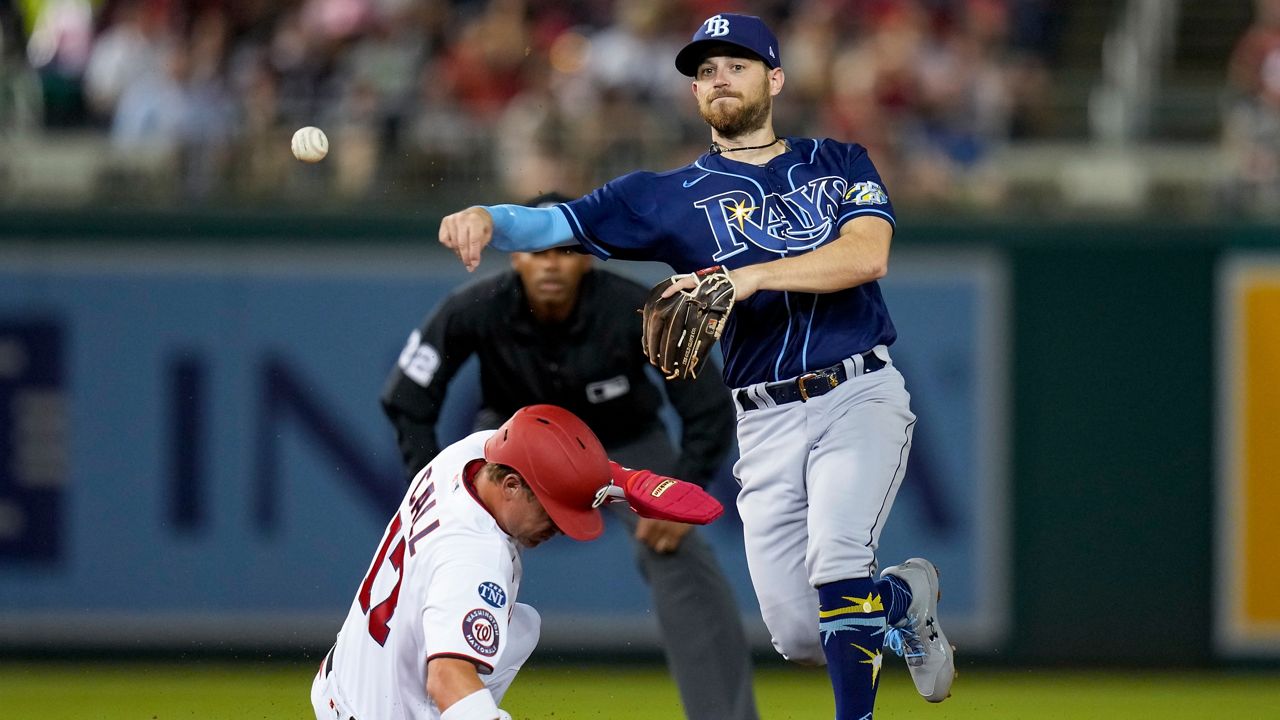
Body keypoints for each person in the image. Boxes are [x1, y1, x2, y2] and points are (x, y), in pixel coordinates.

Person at [435, 13, 955, 720]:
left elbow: (867, 255)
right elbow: (558, 223)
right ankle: (900, 598)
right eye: (706, 70)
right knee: (803, 633)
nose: (718, 78)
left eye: (735, 65)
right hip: (764, 419)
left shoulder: (840, 163)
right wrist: (491, 219)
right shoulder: (662, 197)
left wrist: (746, 278)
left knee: (837, 562)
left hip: (855, 392)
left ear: (773, 79)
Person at [381, 193, 759, 720]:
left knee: (682, 556)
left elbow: (707, 403)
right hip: (512, 447)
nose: (551, 264)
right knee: (450, 543)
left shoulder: (631, 307)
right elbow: (407, 398)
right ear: (516, 256)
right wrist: (430, 484)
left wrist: (687, 478)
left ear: (586, 256)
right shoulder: (476, 307)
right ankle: (419, 695)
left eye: (564, 252)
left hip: (624, 444)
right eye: (539, 253)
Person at [311, 404, 722, 720]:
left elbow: (550, 454)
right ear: (510, 485)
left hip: (344, 680)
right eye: (554, 512)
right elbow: (448, 679)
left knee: (519, 625)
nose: (560, 528)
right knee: (498, 631)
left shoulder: (467, 456)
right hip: (384, 712)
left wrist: (629, 482)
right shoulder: (475, 558)